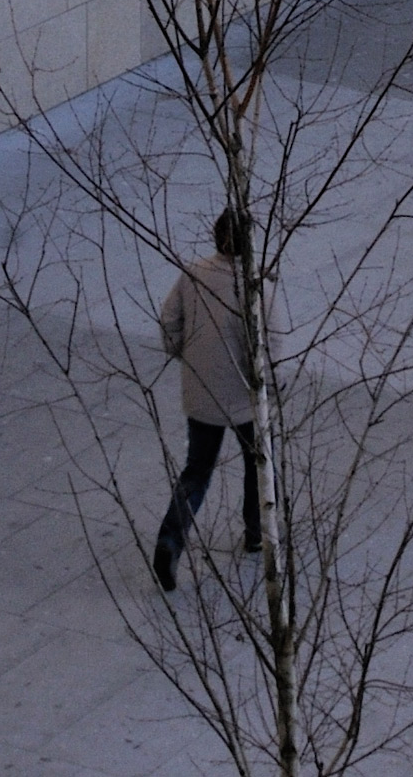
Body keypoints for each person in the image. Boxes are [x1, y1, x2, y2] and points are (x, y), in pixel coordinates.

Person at [154, 208, 265, 590]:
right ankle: (257, 531)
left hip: (200, 389)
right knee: (257, 461)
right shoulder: (251, 285)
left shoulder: (193, 273)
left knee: (197, 469)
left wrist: (181, 351)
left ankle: (171, 539)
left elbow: (169, 319)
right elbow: (268, 342)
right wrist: (267, 380)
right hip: (243, 396)